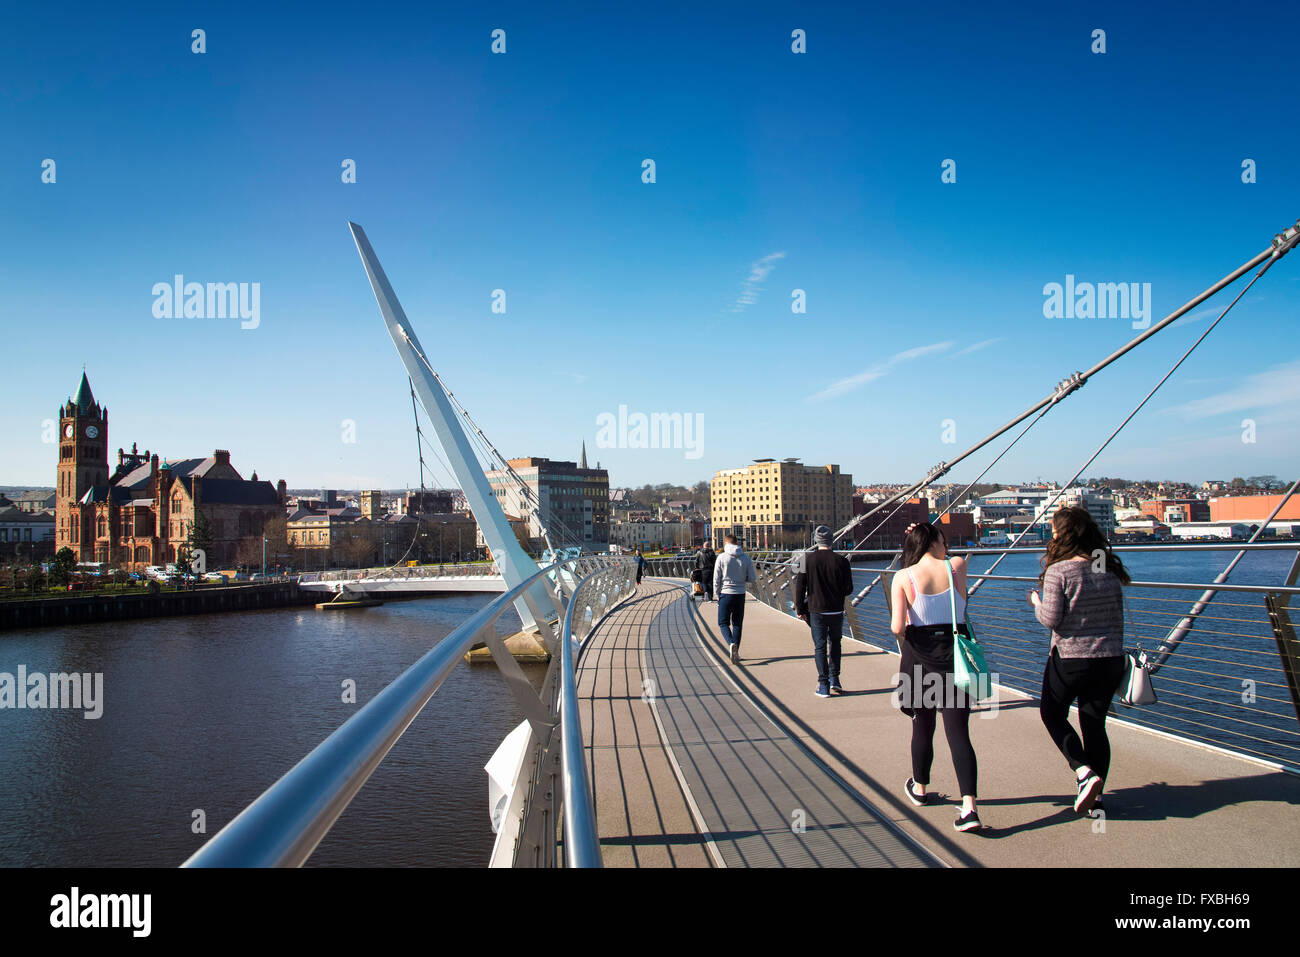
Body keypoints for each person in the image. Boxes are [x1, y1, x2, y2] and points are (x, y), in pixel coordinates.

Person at [1028, 505, 1130, 818]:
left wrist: (1036, 602)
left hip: (1071, 658)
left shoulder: (1060, 571)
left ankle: (1083, 771)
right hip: (1109, 659)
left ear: (1064, 535)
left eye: (1054, 531)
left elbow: (1051, 619)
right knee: (1094, 725)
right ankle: (1095, 799)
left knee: (1051, 713)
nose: (1052, 537)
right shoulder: (1107, 569)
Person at [890, 522, 981, 832]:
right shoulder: (956, 567)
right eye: (943, 540)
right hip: (955, 657)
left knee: (923, 725)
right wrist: (926, 532)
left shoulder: (903, 576)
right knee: (958, 733)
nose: (947, 546)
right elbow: (951, 561)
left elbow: (896, 627)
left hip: (920, 658)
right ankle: (970, 807)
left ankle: (920, 788)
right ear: (934, 542)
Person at [793, 525, 854, 697]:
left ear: (816, 540)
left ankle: (823, 684)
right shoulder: (842, 561)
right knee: (835, 643)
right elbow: (849, 589)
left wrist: (800, 608)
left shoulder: (806, 560)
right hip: (836, 610)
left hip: (816, 610)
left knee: (820, 646)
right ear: (832, 540)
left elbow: (800, 587)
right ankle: (835, 679)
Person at [713, 534, 755, 664]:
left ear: (726, 544)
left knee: (723, 623)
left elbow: (716, 578)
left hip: (726, 593)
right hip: (740, 593)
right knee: (737, 624)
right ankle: (736, 652)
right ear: (737, 543)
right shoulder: (746, 558)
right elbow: (752, 578)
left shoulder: (721, 557)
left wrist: (717, 594)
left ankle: (731, 643)